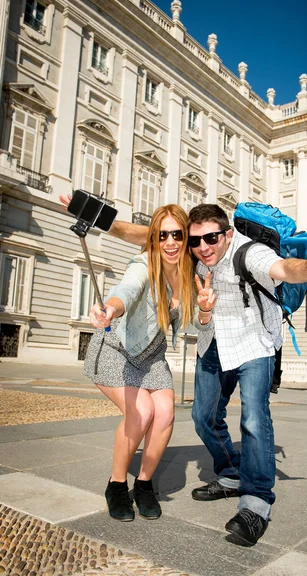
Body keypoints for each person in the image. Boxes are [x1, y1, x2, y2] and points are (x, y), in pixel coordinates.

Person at [60, 196, 307, 544]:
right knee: (202, 417)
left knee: (247, 418)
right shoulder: (178, 254)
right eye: (193, 240)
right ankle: (221, 474)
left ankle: (255, 503)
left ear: (226, 233)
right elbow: (140, 256)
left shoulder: (248, 252)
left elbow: (283, 269)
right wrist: (99, 222)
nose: (200, 247)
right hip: (202, 344)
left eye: (210, 238)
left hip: (254, 344)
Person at [83, 203, 216, 523]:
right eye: (162, 235)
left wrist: (205, 309)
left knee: (166, 414)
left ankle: (143, 484)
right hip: (115, 350)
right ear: (154, 238)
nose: (170, 242)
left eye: (177, 234)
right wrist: (110, 309)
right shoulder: (144, 263)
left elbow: (198, 325)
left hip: (152, 356)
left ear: (186, 237)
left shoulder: (191, 272)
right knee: (141, 412)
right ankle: (116, 485)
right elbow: (126, 289)